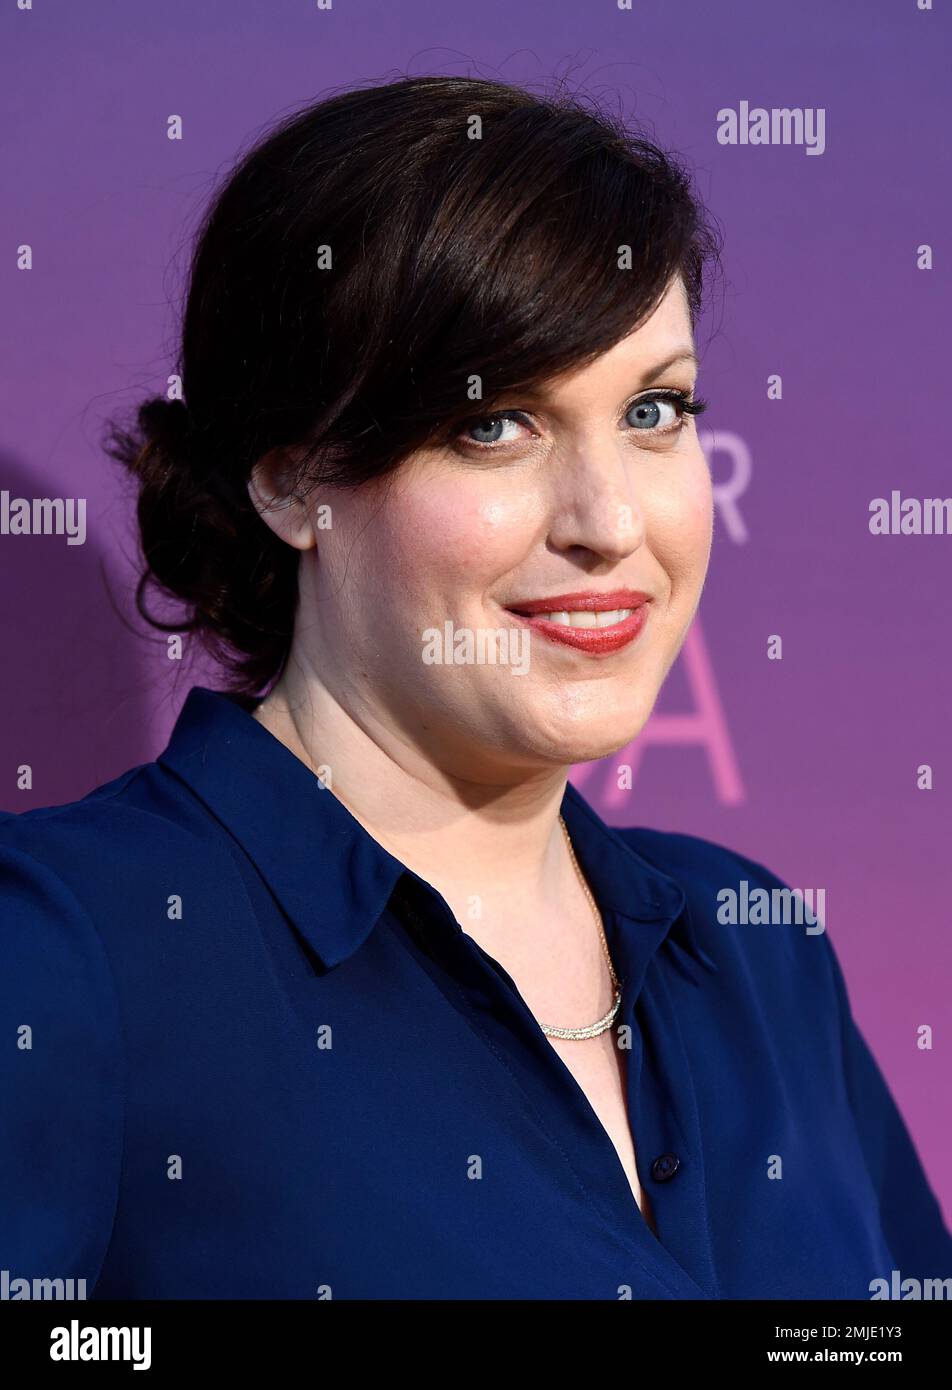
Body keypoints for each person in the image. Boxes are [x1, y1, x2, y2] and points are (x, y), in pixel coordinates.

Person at [2, 75, 949, 1301]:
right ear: (291, 483)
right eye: (495, 425)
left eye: (654, 411)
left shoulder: (755, 955)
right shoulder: (74, 949)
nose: (610, 521)